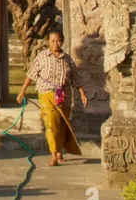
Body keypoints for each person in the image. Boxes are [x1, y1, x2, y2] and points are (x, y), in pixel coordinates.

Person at [16, 31, 88, 166]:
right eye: (53, 41)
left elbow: (75, 78)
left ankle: (59, 150)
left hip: (64, 96)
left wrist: (82, 94)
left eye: (58, 41)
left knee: (61, 124)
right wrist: (22, 92)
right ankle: (54, 154)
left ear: (62, 41)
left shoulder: (67, 59)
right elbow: (31, 74)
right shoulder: (42, 57)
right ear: (48, 42)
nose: (55, 44)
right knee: (51, 124)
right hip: (46, 93)